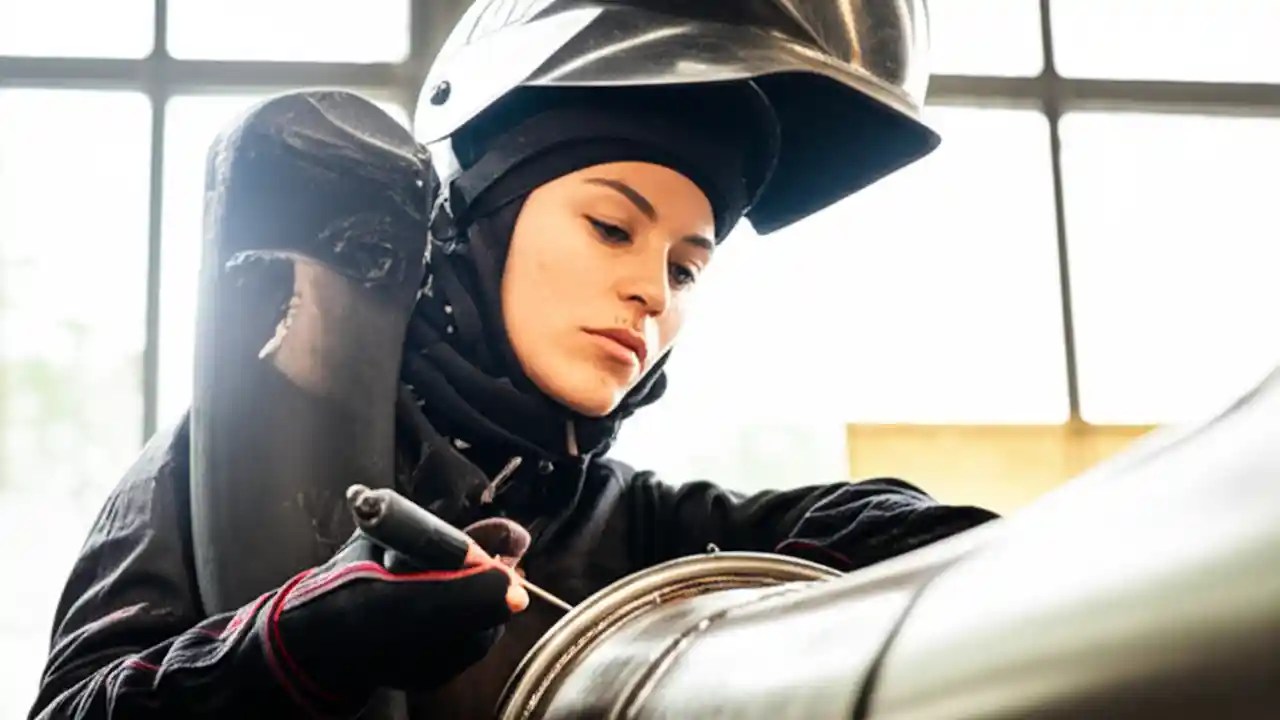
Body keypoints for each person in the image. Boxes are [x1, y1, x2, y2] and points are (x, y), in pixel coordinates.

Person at [30, 1, 996, 718]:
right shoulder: (225, 459)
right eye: (612, 226)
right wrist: (292, 643)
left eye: (688, 268)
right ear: (472, 228)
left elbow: (909, 534)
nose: (654, 293)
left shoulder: (636, 524)